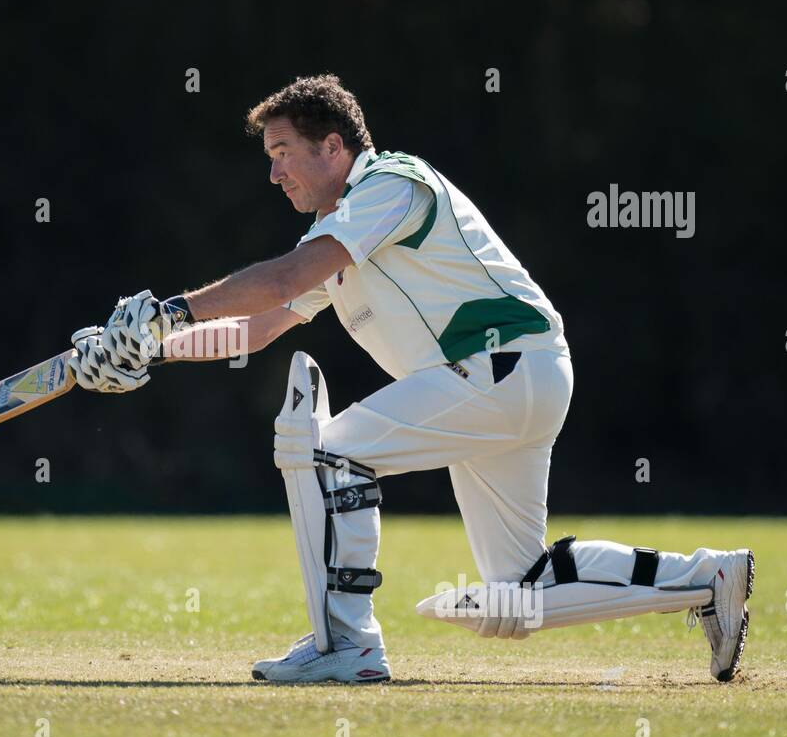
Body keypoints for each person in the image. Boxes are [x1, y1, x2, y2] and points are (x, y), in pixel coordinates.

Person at [67, 74, 752, 684]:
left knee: (331, 451)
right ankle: (706, 577)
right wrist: (149, 349)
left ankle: (350, 645)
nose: (275, 175)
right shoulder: (340, 229)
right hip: (511, 380)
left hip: (500, 368)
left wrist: (165, 312)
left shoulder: (389, 184)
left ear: (332, 147)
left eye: (282, 154)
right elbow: (259, 324)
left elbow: (279, 279)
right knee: (519, 586)